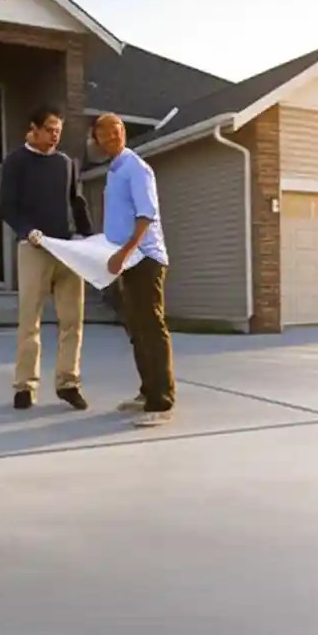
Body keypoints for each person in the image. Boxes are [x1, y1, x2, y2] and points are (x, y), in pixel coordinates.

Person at [0, 105, 94, 411]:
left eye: (58, 131)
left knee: (72, 321)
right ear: (34, 129)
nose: (55, 136)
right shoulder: (16, 162)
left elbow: (76, 202)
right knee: (30, 320)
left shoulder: (65, 163)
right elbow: (7, 206)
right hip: (34, 248)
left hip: (68, 250)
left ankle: (69, 383)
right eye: (50, 130)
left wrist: (90, 239)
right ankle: (25, 387)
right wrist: (28, 231)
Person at [93, 112, 176, 427]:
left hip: (145, 259)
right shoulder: (114, 170)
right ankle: (147, 391)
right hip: (125, 262)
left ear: (123, 132)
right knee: (136, 329)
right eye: (105, 134)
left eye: (116, 131)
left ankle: (161, 402)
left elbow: (146, 215)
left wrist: (125, 252)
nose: (112, 137)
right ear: (97, 140)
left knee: (151, 328)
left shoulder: (136, 168)